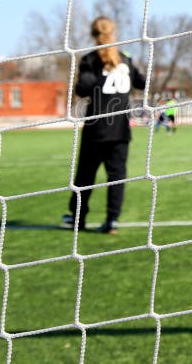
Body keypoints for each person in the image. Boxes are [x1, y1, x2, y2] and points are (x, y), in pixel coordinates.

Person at [62, 16, 146, 234]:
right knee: (117, 176)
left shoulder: (90, 59)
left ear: (93, 34)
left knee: (85, 177)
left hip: (97, 127)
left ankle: (77, 218)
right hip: (120, 129)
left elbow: (83, 88)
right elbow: (141, 82)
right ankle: (112, 220)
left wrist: (82, 75)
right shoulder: (125, 59)